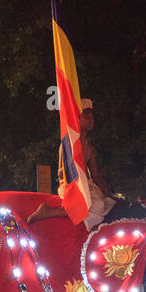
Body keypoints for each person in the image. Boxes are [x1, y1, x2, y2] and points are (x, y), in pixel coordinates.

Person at [28, 98, 120, 229]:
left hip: (87, 187)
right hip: (70, 186)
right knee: (96, 206)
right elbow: (60, 173)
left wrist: (111, 195)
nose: (91, 120)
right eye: (87, 116)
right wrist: (74, 169)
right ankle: (49, 211)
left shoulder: (88, 146)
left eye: (92, 117)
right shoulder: (68, 143)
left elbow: (96, 176)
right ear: (77, 119)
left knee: (108, 203)